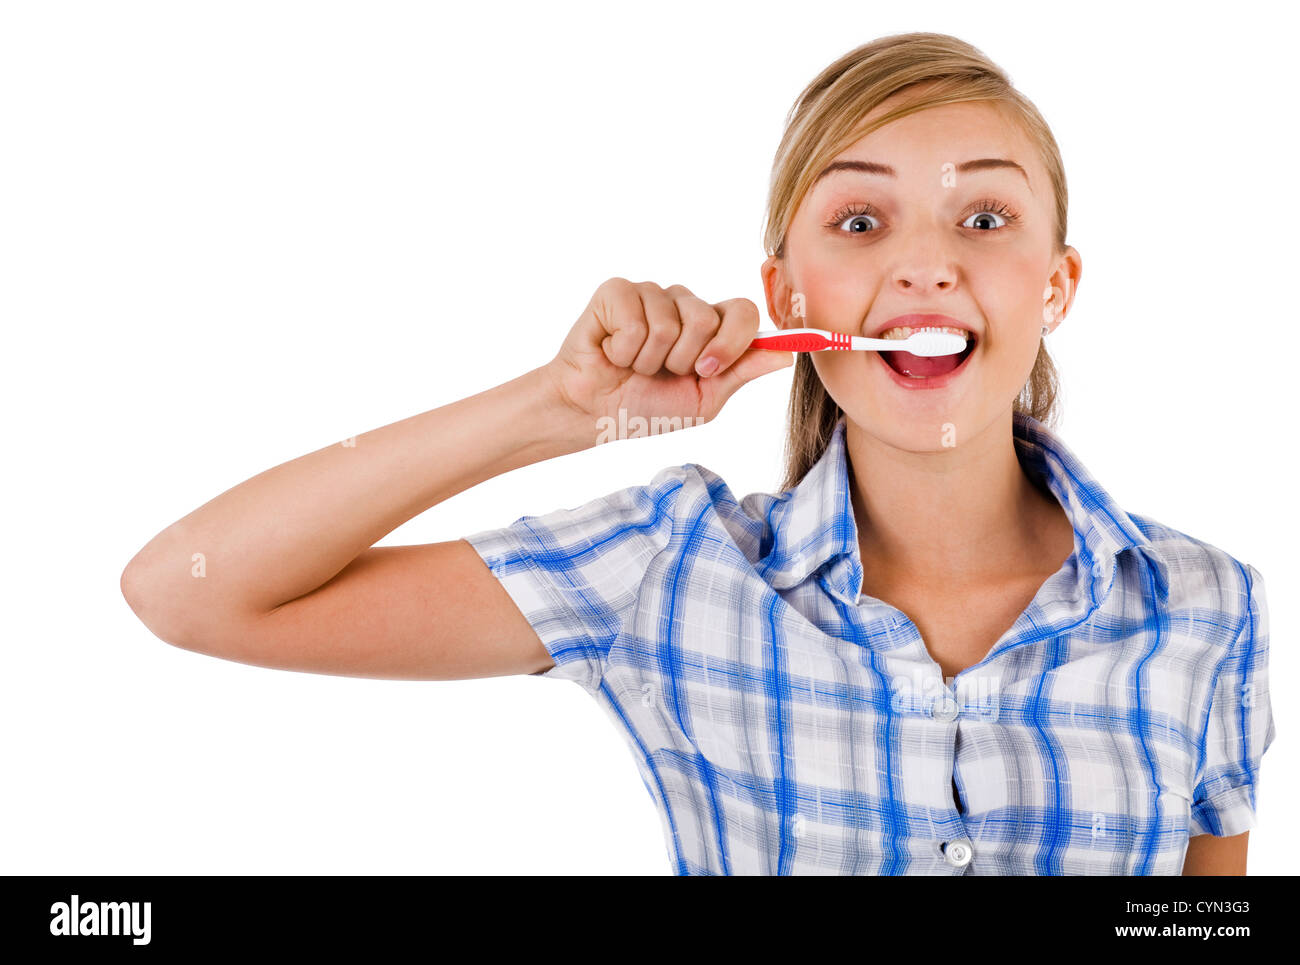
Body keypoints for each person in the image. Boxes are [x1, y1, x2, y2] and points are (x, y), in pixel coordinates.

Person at [120, 32, 1274, 875]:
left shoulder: (1207, 606)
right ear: (786, 293)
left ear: (1056, 284)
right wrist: (562, 408)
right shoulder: (667, 566)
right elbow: (189, 590)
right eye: (860, 223)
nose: (926, 266)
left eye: (983, 218)